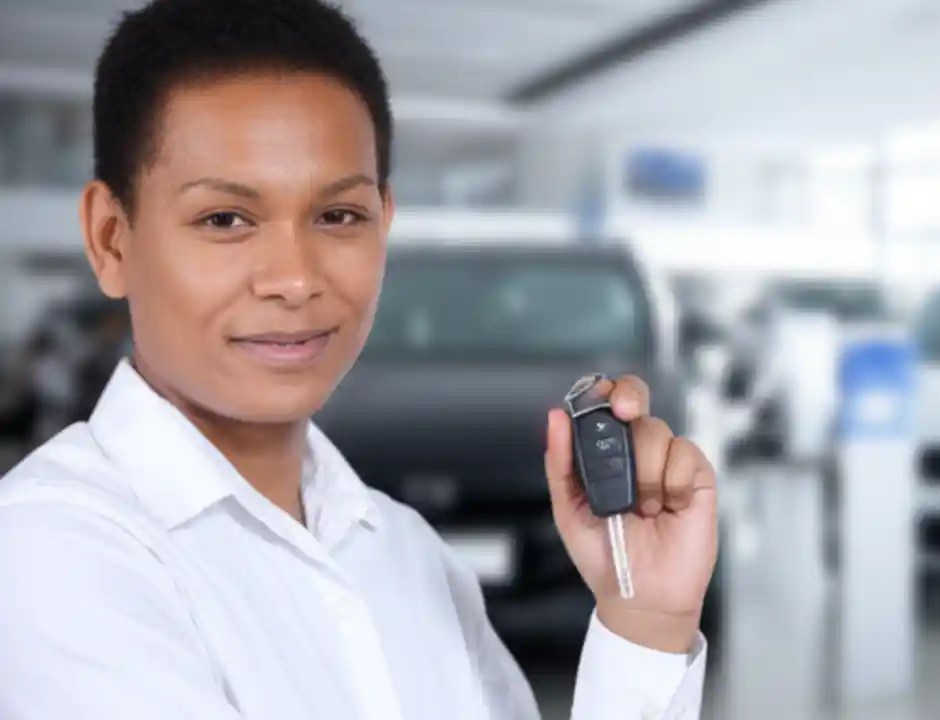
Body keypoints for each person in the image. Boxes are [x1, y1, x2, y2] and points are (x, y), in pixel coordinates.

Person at [0, 1, 719, 718]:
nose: (295, 278)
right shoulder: (47, 551)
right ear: (110, 239)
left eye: (338, 216)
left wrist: (644, 628)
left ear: (385, 224)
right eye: (225, 220)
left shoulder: (411, 557)